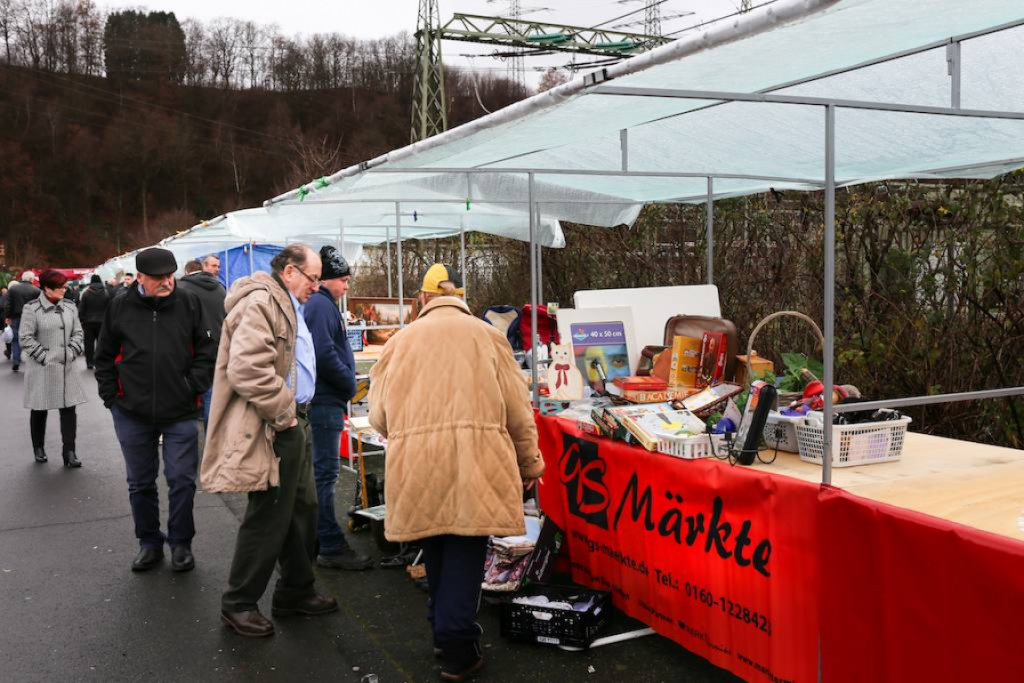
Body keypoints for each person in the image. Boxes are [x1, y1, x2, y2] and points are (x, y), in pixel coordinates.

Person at [368, 264, 544, 681]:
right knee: (466, 549)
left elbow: (378, 416)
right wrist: (529, 463)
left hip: (417, 463)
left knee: (435, 547)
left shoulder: (401, 340)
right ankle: (457, 647)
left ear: (423, 299)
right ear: (461, 299)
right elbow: (519, 412)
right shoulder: (488, 337)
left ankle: (443, 633)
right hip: (476, 461)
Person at [202, 244, 337, 639]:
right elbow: (247, 369)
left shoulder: (286, 301)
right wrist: (284, 414)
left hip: (294, 420)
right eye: (313, 277)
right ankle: (239, 603)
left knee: (302, 509)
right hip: (275, 425)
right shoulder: (262, 302)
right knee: (269, 514)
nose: (317, 285)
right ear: (291, 271)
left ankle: (296, 590)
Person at [95, 248, 216, 573]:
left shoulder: (190, 302)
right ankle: (149, 543)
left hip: (180, 410)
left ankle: (181, 544)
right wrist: (111, 396)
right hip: (131, 411)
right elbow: (104, 353)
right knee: (140, 483)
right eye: (159, 278)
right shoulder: (119, 305)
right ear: (140, 278)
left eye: (170, 276)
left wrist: (195, 383)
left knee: (181, 480)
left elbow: (208, 342)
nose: (166, 282)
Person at [303, 246, 372, 571]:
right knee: (325, 474)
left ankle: (319, 539)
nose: (346, 287)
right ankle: (328, 543)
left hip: (327, 400)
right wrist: (348, 382)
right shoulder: (320, 306)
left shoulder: (324, 305)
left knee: (323, 474)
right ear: (328, 280)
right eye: (343, 280)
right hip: (325, 402)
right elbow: (323, 351)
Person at [19, 270, 86, 467]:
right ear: (47, 289)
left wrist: (72, 351)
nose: (65, 290)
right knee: (39, 409)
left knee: (69, 410)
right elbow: (25, 337)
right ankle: (38, 447)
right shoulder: (31, 309)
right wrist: (45, 357)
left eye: (65, 287)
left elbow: (78, 332)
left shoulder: (70, 306)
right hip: (42, 368)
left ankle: (70, 452)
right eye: (61, 287)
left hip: (67, 367)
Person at [178, 258, 226, 424]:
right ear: (203, 267)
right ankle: (212, 441)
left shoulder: (182, 289)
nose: (217, 269)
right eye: (215, 266)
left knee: (189, 393)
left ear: (186, 271)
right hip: (218, 346)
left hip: (191, 349)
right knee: (211, 396)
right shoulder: (220, 288)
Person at [4, 271, 41, 372]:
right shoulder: (36, 290)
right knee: (30, 339)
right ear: (31, 279)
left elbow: (8, 304)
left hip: (16, 317)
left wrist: (7, 316)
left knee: (16, 340)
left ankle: (16, 360)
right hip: (30, 318)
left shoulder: (13, 289)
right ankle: (31, 361)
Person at [78, 274, 110, 370]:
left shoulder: (86, 293)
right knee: (101, 343)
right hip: (102, 323)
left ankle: (90, 363)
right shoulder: (106, 293)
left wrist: (82, 320)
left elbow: (81, 309)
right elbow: (109, 309)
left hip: (88, 323)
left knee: (89, 344)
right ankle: (100, 361)